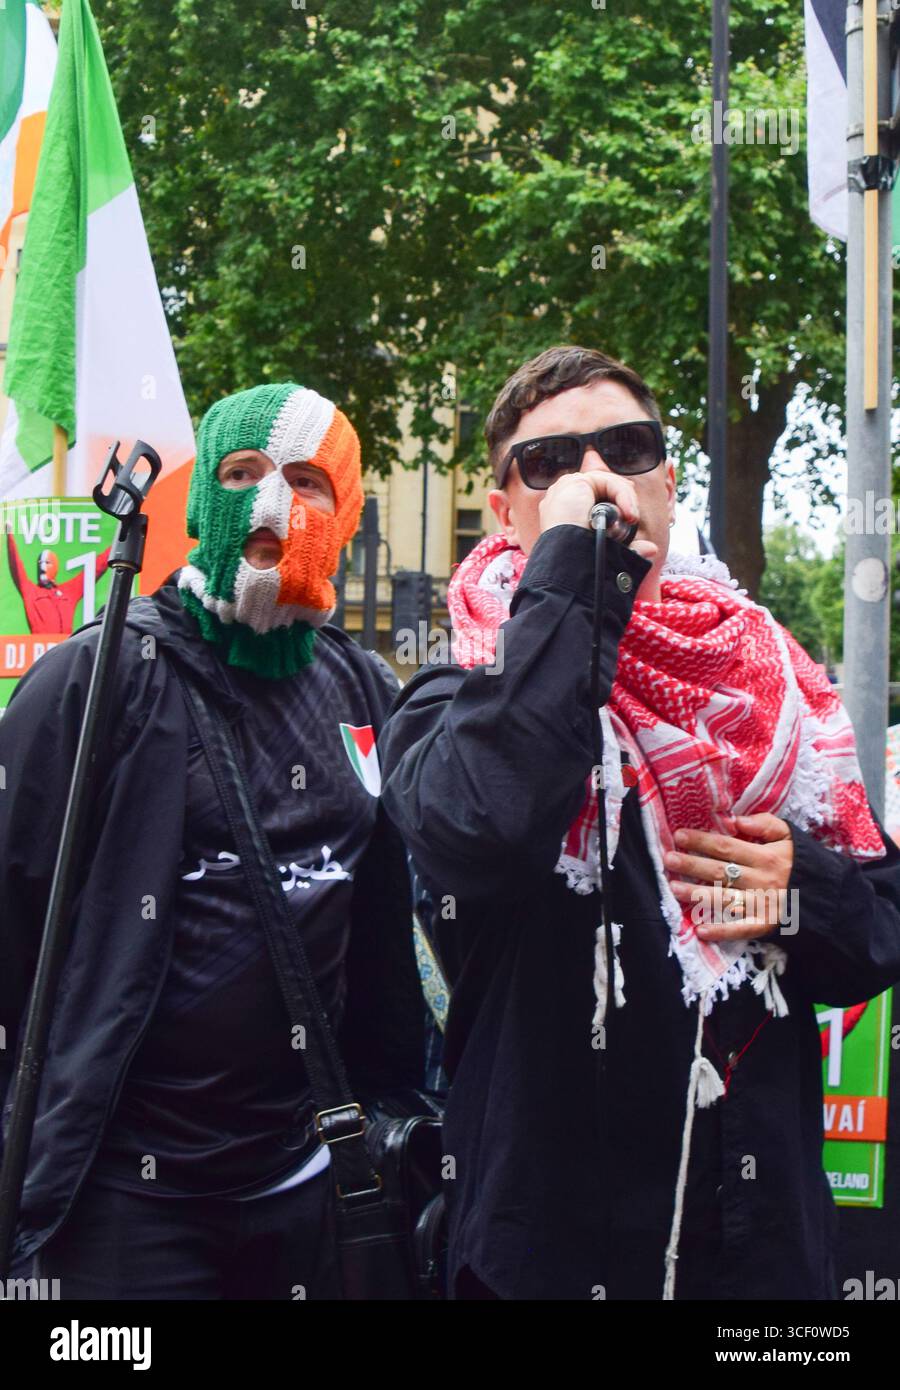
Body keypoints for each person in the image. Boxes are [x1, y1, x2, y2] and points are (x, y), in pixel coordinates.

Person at [378, 344, 900, 1301]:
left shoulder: (773, 691)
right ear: (504, 512)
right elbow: (486, 821)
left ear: (668, 479)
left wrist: (798, 895)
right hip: (557, 1252)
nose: (594, 478)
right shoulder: (450, 698)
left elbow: (880, 931)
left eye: (625, 448)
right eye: (550, 463)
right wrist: (575, 570)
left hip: (761, 1251)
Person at [0, 381, 424, 1300]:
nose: (273, 505)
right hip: (123, 1200)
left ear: (345, 514)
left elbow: (397, 923)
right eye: (242, 473)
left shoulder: (366, 696)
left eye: (308, 482)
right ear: (198, 505)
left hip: (308, 1190)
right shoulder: (97, 674)